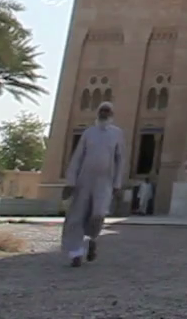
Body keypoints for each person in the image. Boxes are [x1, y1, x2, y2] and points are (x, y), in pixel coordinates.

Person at [63, 101, 126, 267]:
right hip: (84, 180)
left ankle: (92, 239)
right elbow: (77, 157)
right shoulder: (88, 133)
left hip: (105, 181)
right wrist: (71, 182)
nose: (104, 113)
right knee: (77, 216)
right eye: (102, 111)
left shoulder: (117, 134)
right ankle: (75, 253)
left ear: (111, 114)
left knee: (98, 214)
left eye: (107, 111)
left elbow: (120, 160)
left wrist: (117, 185)